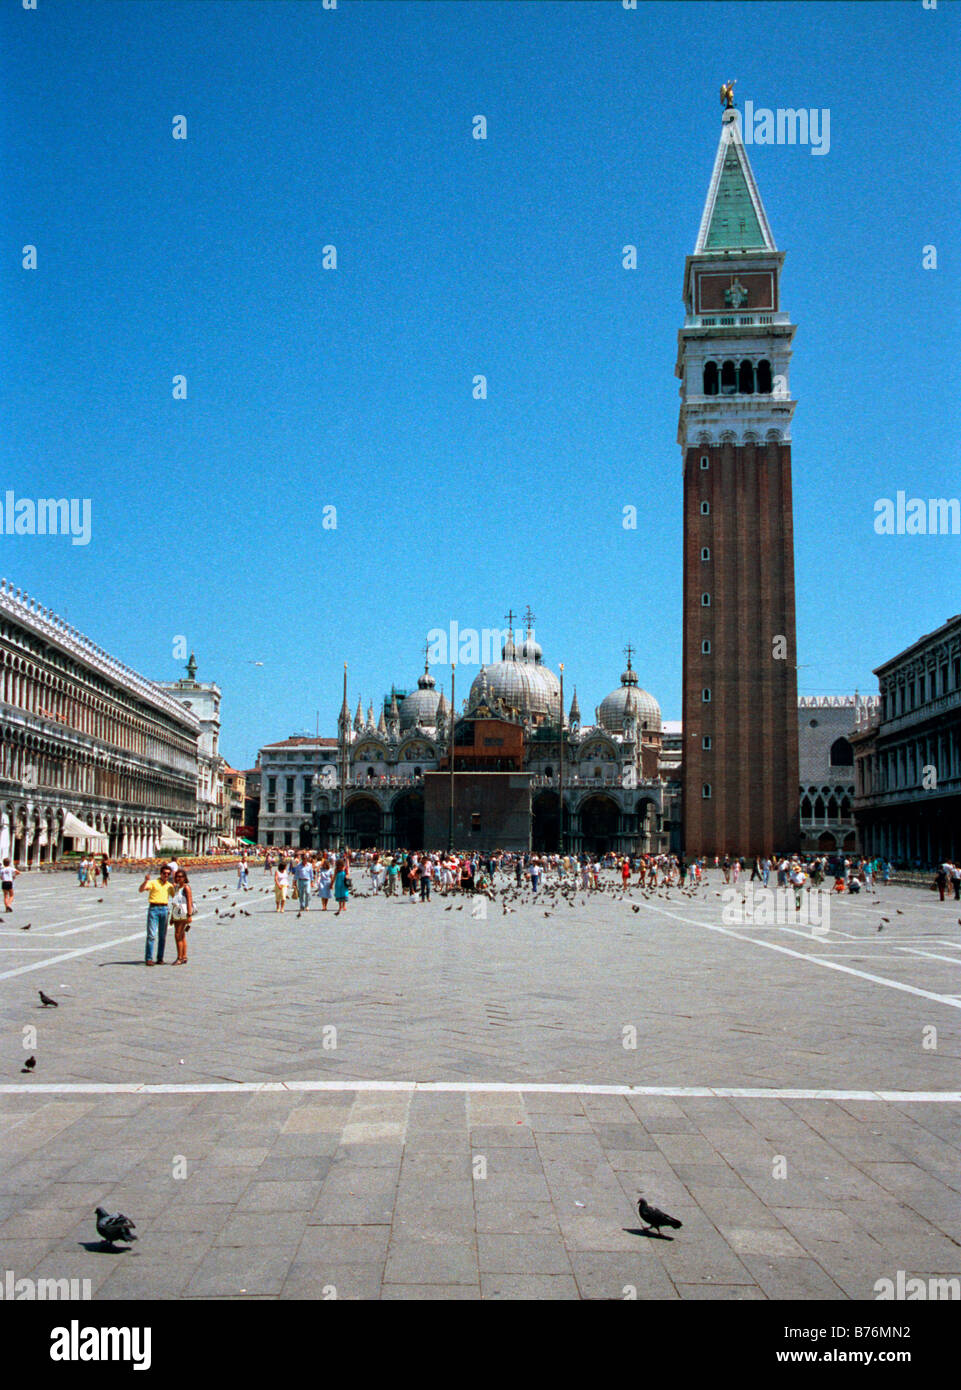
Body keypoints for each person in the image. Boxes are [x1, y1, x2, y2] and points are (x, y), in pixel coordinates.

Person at [139, 864, 175, 965]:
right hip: (154, 909)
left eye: (168, 874)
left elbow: (175, 896)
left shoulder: (170, 885)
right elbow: (141, 890)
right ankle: (149, 958)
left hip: (164, 909)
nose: (166, 875)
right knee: (151, 935)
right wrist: (146, 881)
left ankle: (160, 958)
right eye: (164, 873)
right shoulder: (153, 882)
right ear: (161, 874)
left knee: (162, 936)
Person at [170, 870, 194, 964]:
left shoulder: (186, 888)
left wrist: (189, 915)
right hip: (176, 911)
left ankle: (179, 957)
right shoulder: (176, 888)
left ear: (185, 878)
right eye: (177, 876)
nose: (178, 878)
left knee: (178, 935)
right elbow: (175, 902)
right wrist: (172, 916)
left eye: (180, 876)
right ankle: (184, 956)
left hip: (183, 912)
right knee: (182, 935)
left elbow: (189, 901)